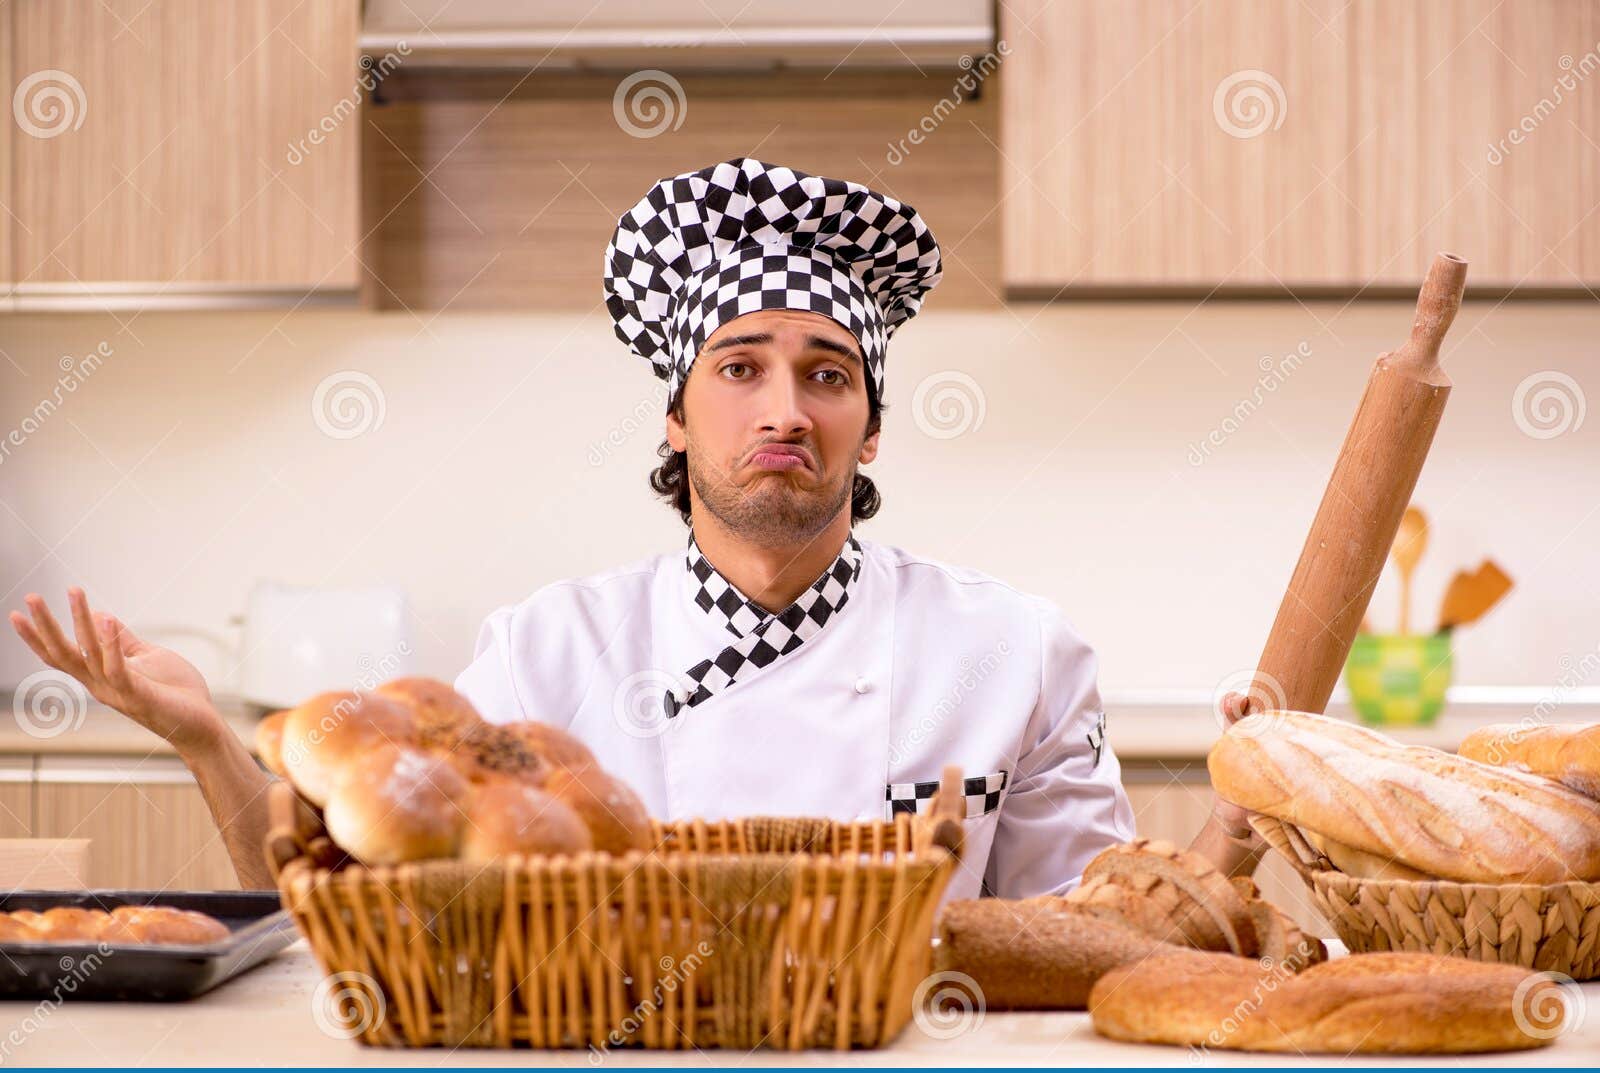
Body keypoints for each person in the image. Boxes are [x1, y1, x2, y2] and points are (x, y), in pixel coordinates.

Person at [10, 158, 1265, 893]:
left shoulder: (1014, 650)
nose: (786, 408)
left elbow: (1092, 945)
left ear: (872, 429)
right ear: (673, 416)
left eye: (828, 374)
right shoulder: (541, 655)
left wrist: (1239, 826)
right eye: (739, 368)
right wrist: (207, 747)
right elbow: (349, 909)